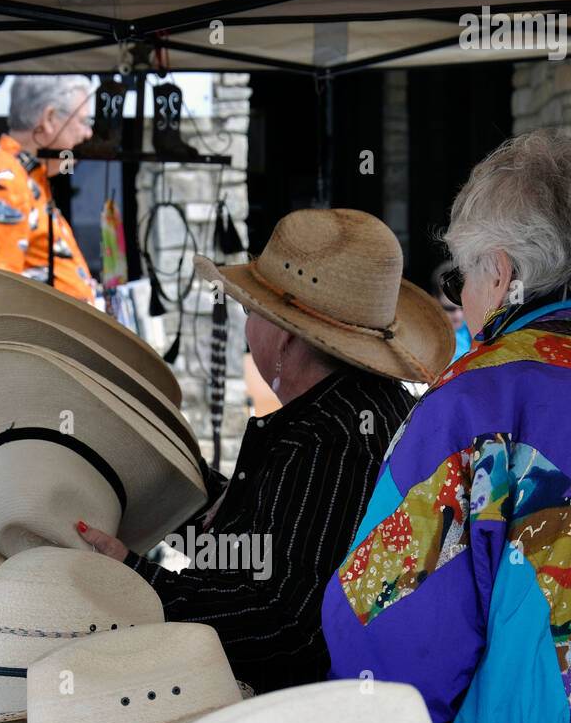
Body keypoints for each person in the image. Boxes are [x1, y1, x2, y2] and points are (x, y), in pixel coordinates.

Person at [323, 130, 571, 723]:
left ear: (499, 274)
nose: (462, 299)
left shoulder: (479, 404)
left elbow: (385, 618)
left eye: (459, 278)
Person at [77, 208, 453, 693]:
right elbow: (266, 540)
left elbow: (286, 622)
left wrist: (139, 582)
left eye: (252, 310)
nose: (246, 324)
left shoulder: (329, 441)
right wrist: (173, 493)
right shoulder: (353, 411)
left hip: (309, 722)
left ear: (285, 337)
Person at [0, 75, 95, 301]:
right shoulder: (5, 180)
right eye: (84, 122)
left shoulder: (25, 176)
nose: (88, 134)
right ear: (49, 119)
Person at [431, 259, 472, 361]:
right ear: (434, 301)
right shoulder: (425, 337)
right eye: (449, 309)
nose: (458, 315)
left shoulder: (476, 327)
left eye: (463, 308)